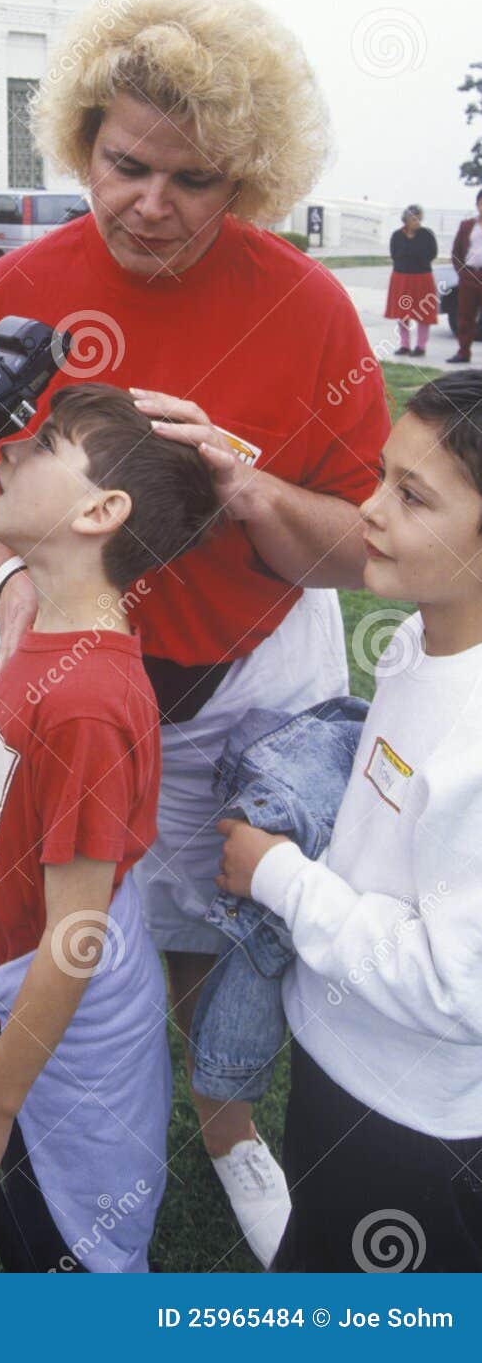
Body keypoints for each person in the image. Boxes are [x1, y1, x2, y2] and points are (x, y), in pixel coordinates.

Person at [0, 0, 390, 1266]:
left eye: (191, 182)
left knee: (219, 910)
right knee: (48, 903)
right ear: (81, 139)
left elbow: (361, 546)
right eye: (124, 163)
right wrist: (32, 597)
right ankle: (52, 1098)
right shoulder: (16, 288)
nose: (150, 202)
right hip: (51, 671)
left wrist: (243, 482)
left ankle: (218, 1112)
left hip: (241, 673)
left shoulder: (304, 310)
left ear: (241, 180)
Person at [0, 384, 220, 1271]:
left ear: (100, 509)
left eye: (43, 441)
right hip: (7, 992)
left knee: (59, 1242)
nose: (5, 450)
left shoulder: (86, 698)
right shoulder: (45, 640)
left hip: (53, 1029)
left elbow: (76, 939)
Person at [217, 370, 482, 1272]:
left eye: (411, 497)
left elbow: (461, 990)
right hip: (340, 1059)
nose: (366, 511)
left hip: (410, 1123)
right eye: (379, 476)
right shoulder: (424, 634)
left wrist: (281, 880)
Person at [386, 203, 437, 358]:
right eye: (413, 218)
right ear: (406, 219)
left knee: (423, 312)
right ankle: (404, 344)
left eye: (418, 218)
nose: (416, 221)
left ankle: (421, 346)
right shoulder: (397, 235)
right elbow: (394, 254)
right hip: (401, 277)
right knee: (403, 313)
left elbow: (432, 253)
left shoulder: (427, 234)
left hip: (422, 277)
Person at [449, 188, 482, 363]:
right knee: (465, 316)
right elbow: (456, 252)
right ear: (477, 205)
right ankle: (463, 352)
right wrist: (462, 273)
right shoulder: (467, 226)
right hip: (469, 275)